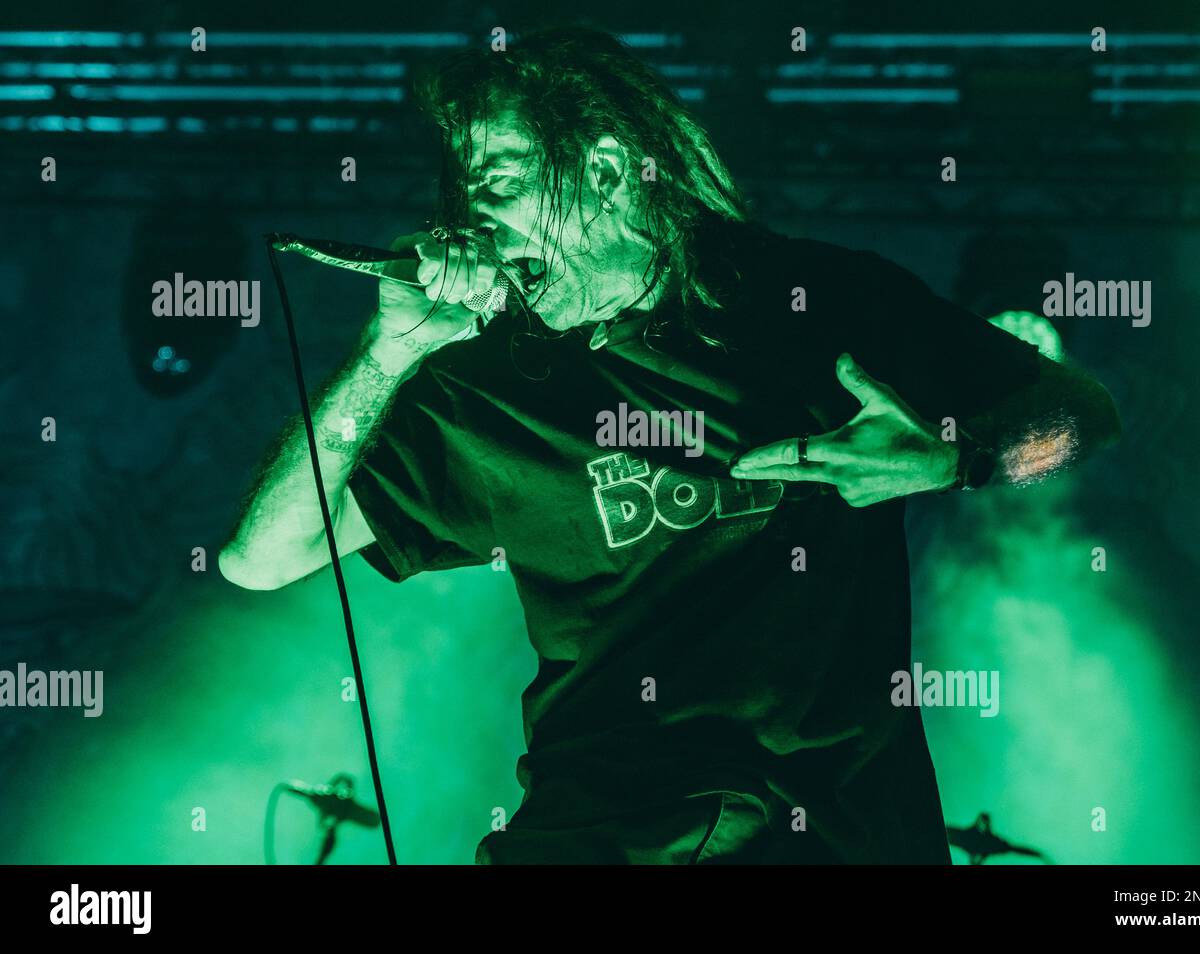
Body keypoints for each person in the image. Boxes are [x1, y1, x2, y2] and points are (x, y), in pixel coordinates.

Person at [220, 26, 1121, 864]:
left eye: (498, 171)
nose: (472, 209)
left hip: (833, 838)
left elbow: (1077, 414)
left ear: (607, 169)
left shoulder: (814, 301)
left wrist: (953, 459)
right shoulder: (486, 388)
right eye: (465, 180)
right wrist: (390, 354)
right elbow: (262, 559)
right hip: (595, 839)